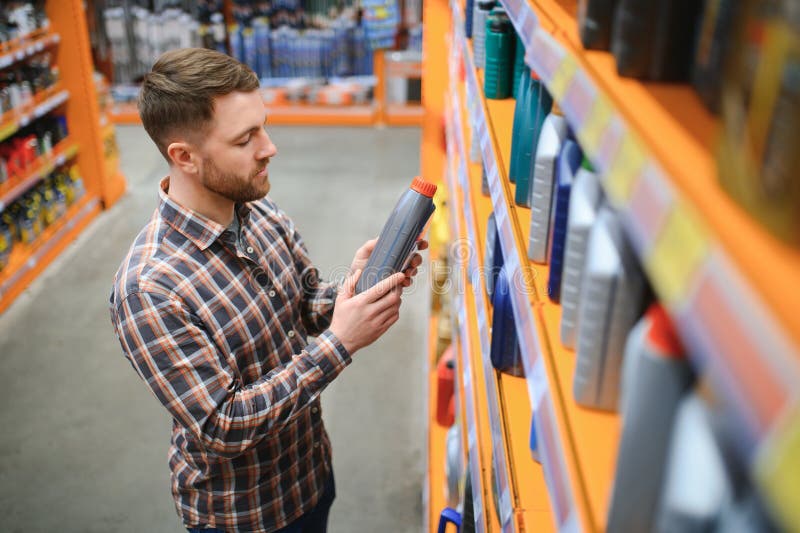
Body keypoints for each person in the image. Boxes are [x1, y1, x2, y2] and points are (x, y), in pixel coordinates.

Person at [109, 48, 425, 533]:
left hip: (309, 474)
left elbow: (302, 304)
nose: (269, 147)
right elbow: (222, 425)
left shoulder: (257, 211)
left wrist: (355, 289)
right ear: (184, 157)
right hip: (244, 516)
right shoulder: (150, 289)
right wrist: (340, 343)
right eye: (245, 138)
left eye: (264, 126)